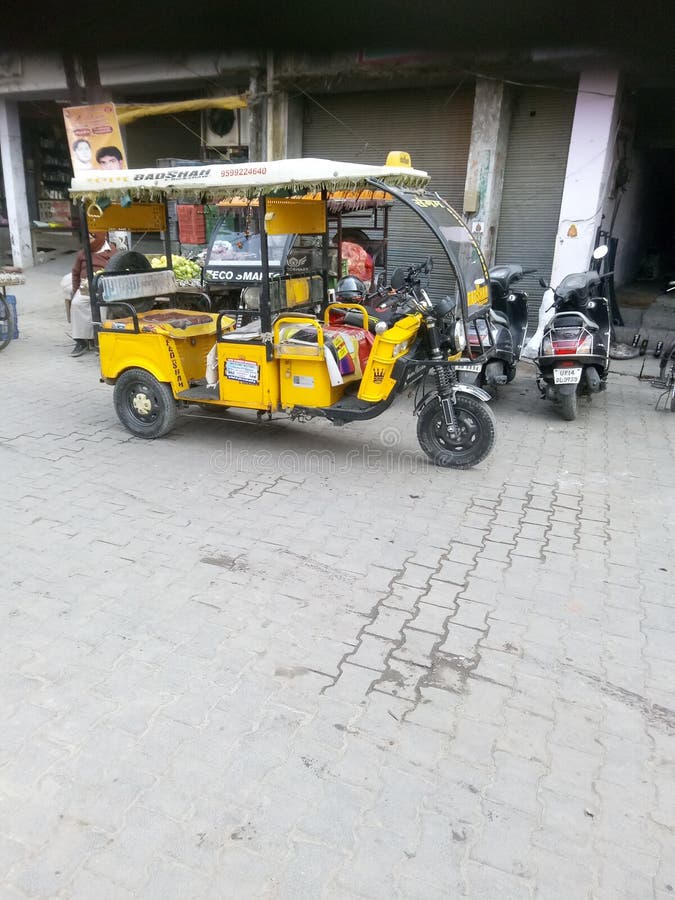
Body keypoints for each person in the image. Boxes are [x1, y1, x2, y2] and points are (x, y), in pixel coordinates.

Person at [69, 232, 116, 357]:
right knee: (77, 303)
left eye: (91, 238)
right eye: (87, 238)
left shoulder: (111, 251)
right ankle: (81, 341)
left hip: (105, 287)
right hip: (85, 287)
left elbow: (117, 270)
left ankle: (100, 340)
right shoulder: (83, 253)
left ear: (99, 237)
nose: (88, 241)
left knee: (102, 307)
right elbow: (75, 273)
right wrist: (76, 291)